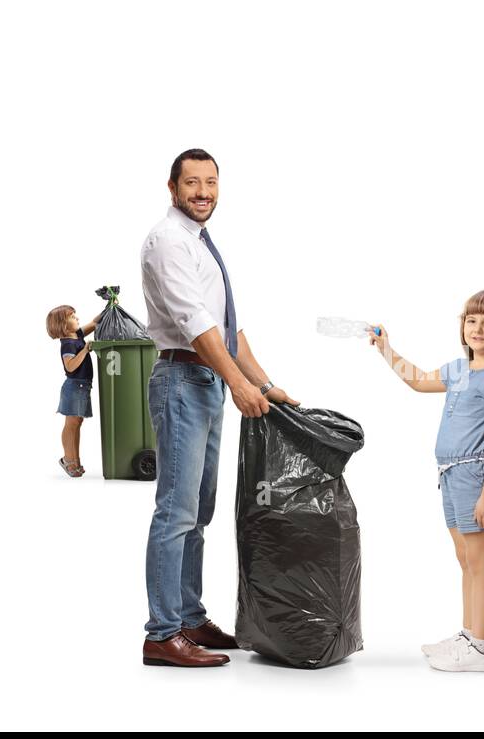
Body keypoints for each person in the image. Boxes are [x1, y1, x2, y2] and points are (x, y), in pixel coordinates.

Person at [139, 148, 299, 668]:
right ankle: (162, 634)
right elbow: (194, 324)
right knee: (176, 512)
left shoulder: (199, 243)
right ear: (172, 188)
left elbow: (230, 330)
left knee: (198, 513)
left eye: (210, 182)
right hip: (183, 378)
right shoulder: (167, 241)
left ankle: (188, 617)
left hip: (204, 379)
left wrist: (265, 384)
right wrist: (237, 385)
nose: (203, 192)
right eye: (192, 183)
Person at [367, 289, 484, 673]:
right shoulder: (458, 369)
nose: (478, 328)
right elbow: (418, 380)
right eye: (472, 320)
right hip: (450, 475)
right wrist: (386, 349)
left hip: (476, 475)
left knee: (482, 562)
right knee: (466, 560)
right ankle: (469, 635)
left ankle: (482, 648)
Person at [46, 305, 101, 477]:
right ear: (63, 324)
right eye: (72, 317)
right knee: (71, 425)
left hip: (82, 386)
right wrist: (85, 350)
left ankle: (75, 460)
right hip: (74, 387)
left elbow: (93, 323)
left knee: (77, 424)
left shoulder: (76, 335)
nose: (77, 318)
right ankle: (68, 460)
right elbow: (70, 366)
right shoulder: (68, 344)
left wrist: (109, 307)